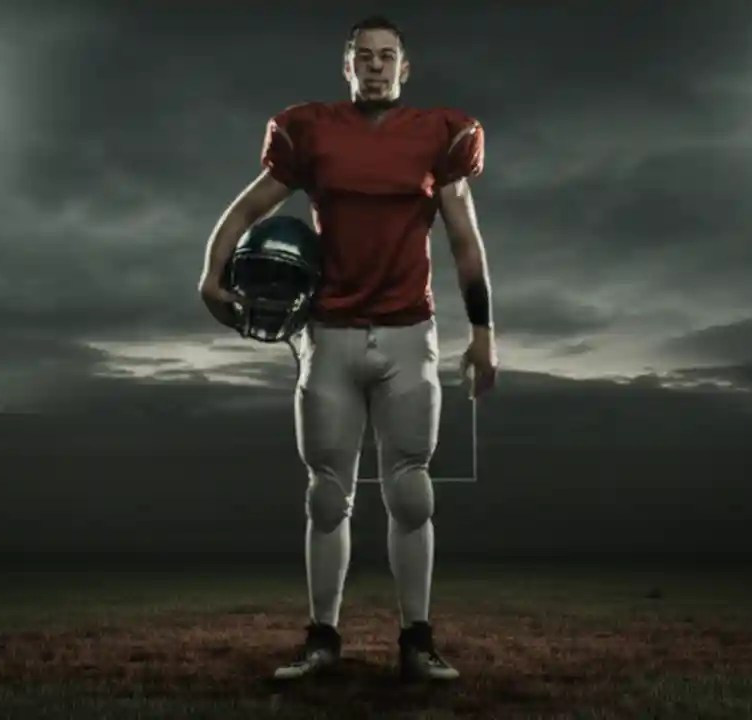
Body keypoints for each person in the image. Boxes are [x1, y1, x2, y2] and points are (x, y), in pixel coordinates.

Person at [197, 14, 498, 683]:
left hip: (407, 332)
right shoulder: (312, 131)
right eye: (363, 55)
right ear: (347, 66)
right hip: (328, 331)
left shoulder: (437, 137)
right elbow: (247, 208)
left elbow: (464, 241)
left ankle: (416, 638)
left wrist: (483, 332)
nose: (375, 65)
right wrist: (209, 273)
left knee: (412, 495)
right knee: (327, 497)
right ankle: (322, 638)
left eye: (387, 56)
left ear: (404, 68)